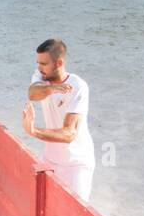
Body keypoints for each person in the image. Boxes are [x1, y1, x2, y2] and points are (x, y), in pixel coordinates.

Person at [22, 39, 96, 204]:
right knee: (42, 209)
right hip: (50, 160)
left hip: (77, 164)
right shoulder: (42, 77)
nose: (40, 68)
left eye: (44, 64)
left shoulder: (78, 87)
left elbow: (69, 133)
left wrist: (34, 131)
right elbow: (32, 94)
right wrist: (51, 88)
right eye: (38, 63)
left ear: (59, 62)